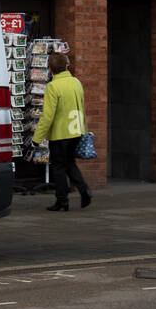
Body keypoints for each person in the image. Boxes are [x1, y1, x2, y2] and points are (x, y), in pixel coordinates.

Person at [32, 52, 93, 212]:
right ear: (66, 65)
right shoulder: (76, 82)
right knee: (70, 163)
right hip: (76, 130)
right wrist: (84, 130)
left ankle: (62, 201)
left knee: (58, 167)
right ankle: (84, 189)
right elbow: (81, 107)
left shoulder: (53, 86)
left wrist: (37, 138)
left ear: (51, 68)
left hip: (60, 133)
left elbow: (48, 115)